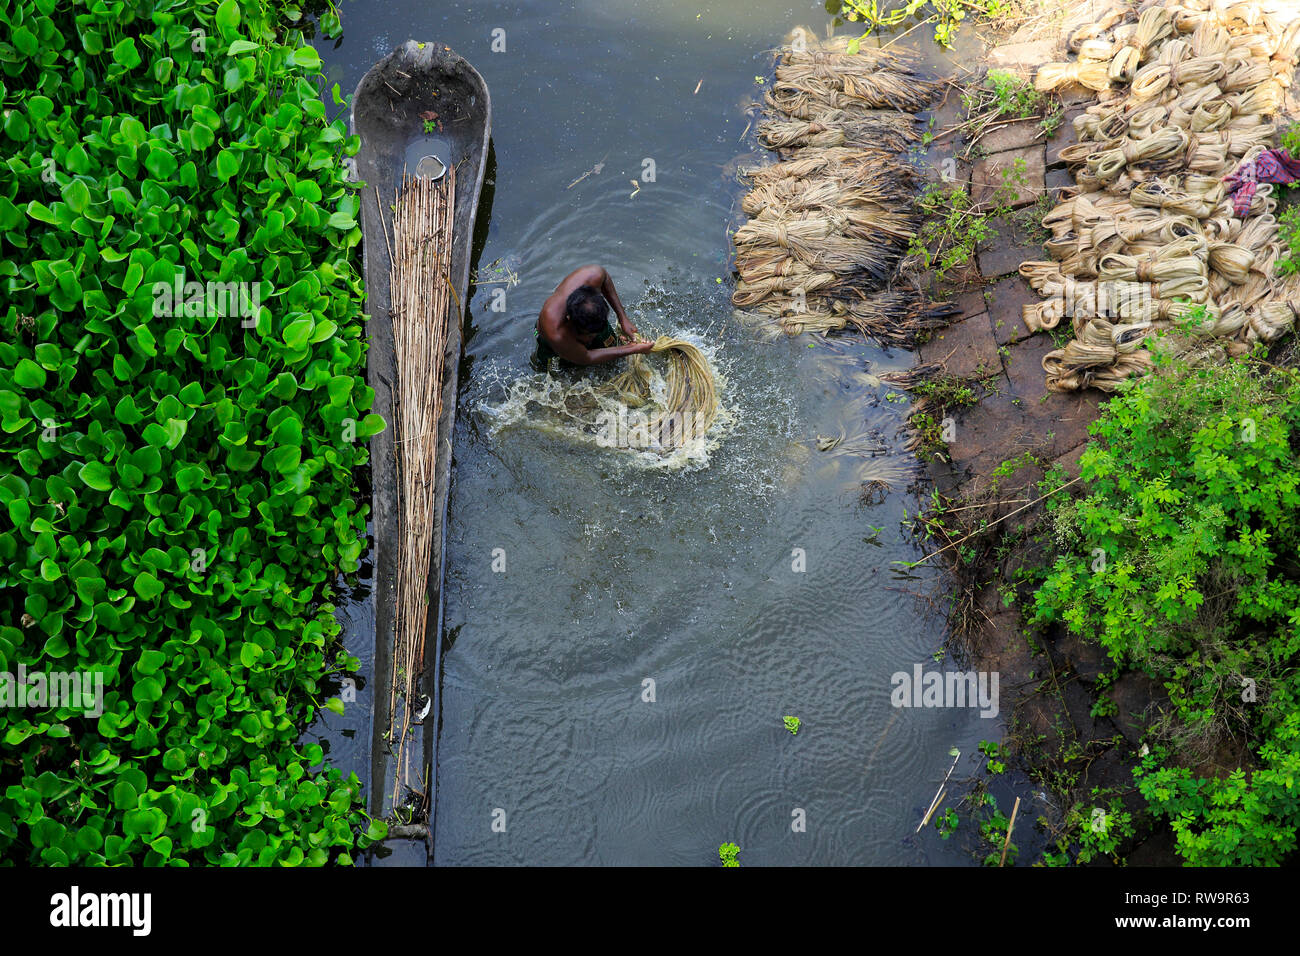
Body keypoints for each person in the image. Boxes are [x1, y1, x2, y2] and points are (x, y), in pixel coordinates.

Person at [532, 265, 654, 371]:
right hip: (553, 347)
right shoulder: (555, 332)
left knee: (613, 352)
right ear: (570, 320)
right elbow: (586, 357)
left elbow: (604, 276)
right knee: (563, 373)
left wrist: (622, 318)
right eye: (589, 336)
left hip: (589, 323)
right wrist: (632, 349)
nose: (591, 339)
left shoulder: (592, 276)